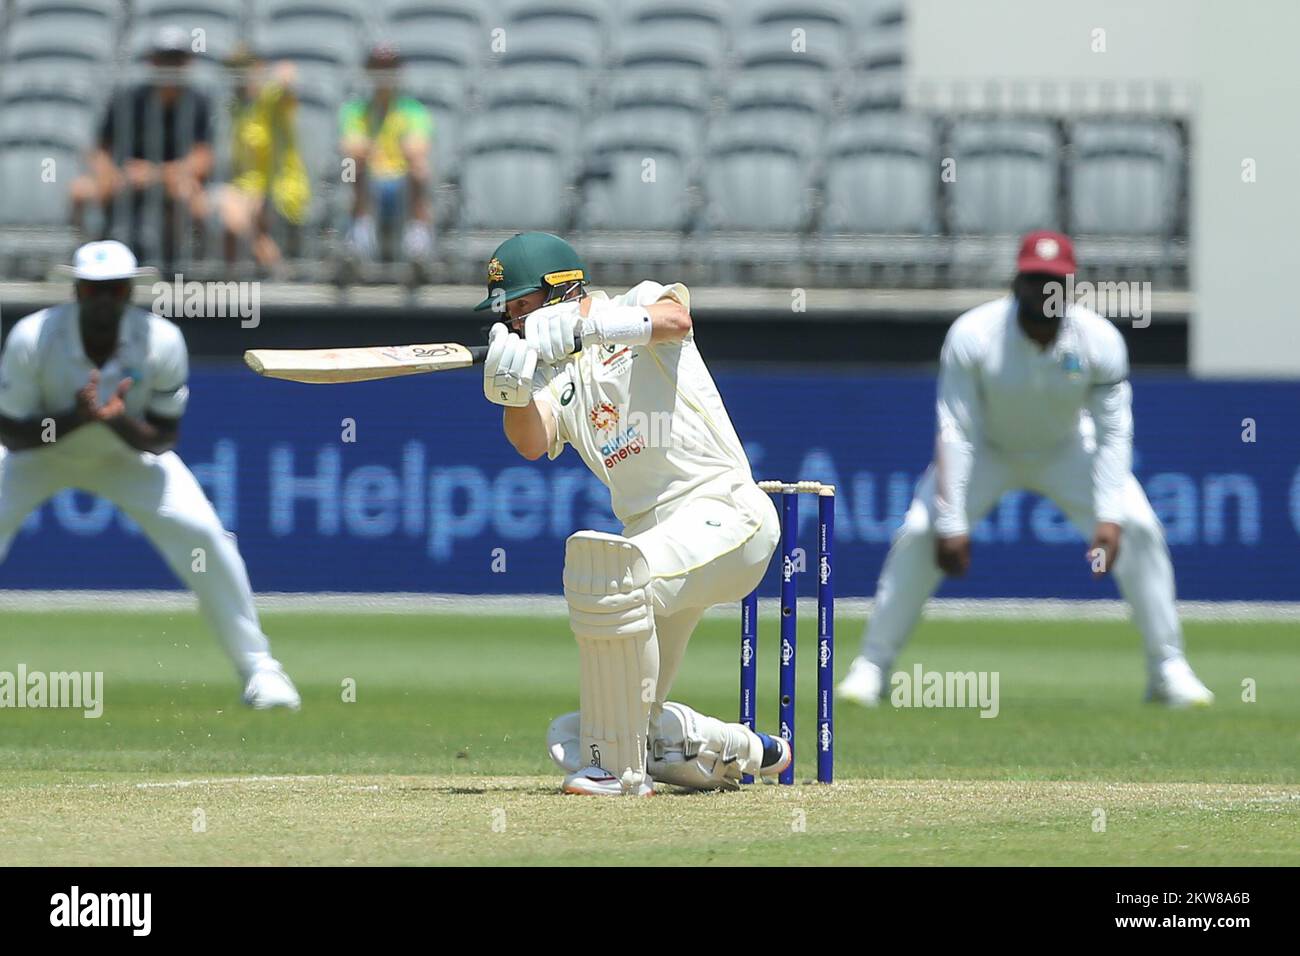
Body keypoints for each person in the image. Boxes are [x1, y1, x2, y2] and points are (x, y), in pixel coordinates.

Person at [836, 230, 1214, 709]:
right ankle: (871, 666)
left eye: (1055, 281)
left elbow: (1113, 434)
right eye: (1035, 279)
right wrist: (951, 524)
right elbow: (956, 429)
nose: (1044, 291)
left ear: (1072, 286)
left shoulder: (1100, 342)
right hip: (987, 449)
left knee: (1138, 527)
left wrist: (1109, 515)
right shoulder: (973, 335)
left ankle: (1167, 669)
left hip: (1067, 449)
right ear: (1016, 282)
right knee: (918, 531)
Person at [477, 232, 787, 796]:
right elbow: (531, 440)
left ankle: (618, 774)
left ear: (560, 291)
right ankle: (741, 747)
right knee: (580, 732)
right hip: (654, 542)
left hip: (727, 511)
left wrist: (587, 327)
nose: (514, 321)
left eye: (520, 306)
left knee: (615, 576)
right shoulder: (556, 376)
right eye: (506, 311)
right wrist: (512, 389)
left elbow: (675, 321)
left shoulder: (631, 307)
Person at [0, 241, 300, 710]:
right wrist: (76, 418)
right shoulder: (32, 338)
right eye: (93, 289)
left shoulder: (161, 341)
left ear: (129, 293)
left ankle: (261, 671)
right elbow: (13, 434)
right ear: (77, 291)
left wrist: (115, 419)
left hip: (127, 456)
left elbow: (162, 438)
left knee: (205, 537)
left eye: (114, 289)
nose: (103, 299)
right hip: (38, 455)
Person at [69, 25, 213, 266]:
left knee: (188, 196)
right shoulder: (127, 98)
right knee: (80, 191)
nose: (169, 66)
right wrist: (109, 174)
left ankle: (174, 266)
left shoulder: (197, 101)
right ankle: (90, 260)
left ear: (187, 63)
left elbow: (202, 160)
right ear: (152, 62)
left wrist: (154, 174)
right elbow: (99, 150)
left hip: (171, 180)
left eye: (176, 60)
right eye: (164, 59)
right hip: (124, 178)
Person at [216, 46, 311, 271]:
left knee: (236, 211)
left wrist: (268, 78)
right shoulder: (237, 108)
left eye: (244, 69)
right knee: (217, 205)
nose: (238, 77)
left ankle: (268, 271)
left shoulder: (272, 99)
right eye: (235, 71)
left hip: (281, 189)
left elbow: (288, 73)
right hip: (247, 191)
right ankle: (269, 269)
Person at [338, 43, 435, 263]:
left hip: (401, 180)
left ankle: (417, 240)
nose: (383, 75)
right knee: (354, 167)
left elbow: (418, 148)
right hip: (370, 179)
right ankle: (358, 238)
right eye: (378, 68)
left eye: (389, 68)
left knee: (419, 170)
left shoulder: (413, 109)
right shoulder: (355, 109)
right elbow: (349, 145)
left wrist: (369, 147)